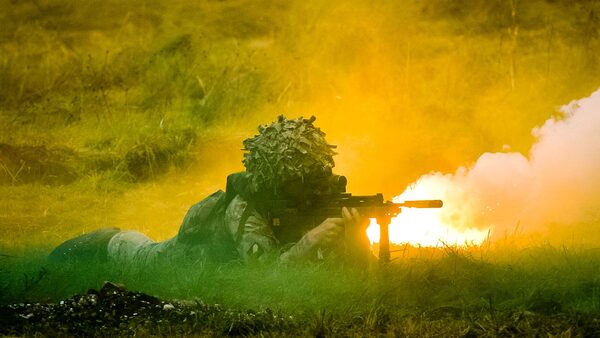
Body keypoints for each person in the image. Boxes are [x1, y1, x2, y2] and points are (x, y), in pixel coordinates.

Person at [48, 116, 367, 268]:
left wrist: (353, 235)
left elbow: (349, 272)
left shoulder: (309, 199)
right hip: (183, 260)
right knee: (137, 253)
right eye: (297, 187)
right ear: (275, 182)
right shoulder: (244, 209)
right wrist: (311, 240)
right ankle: (97, 244)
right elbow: (266, 275)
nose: (308, 195)